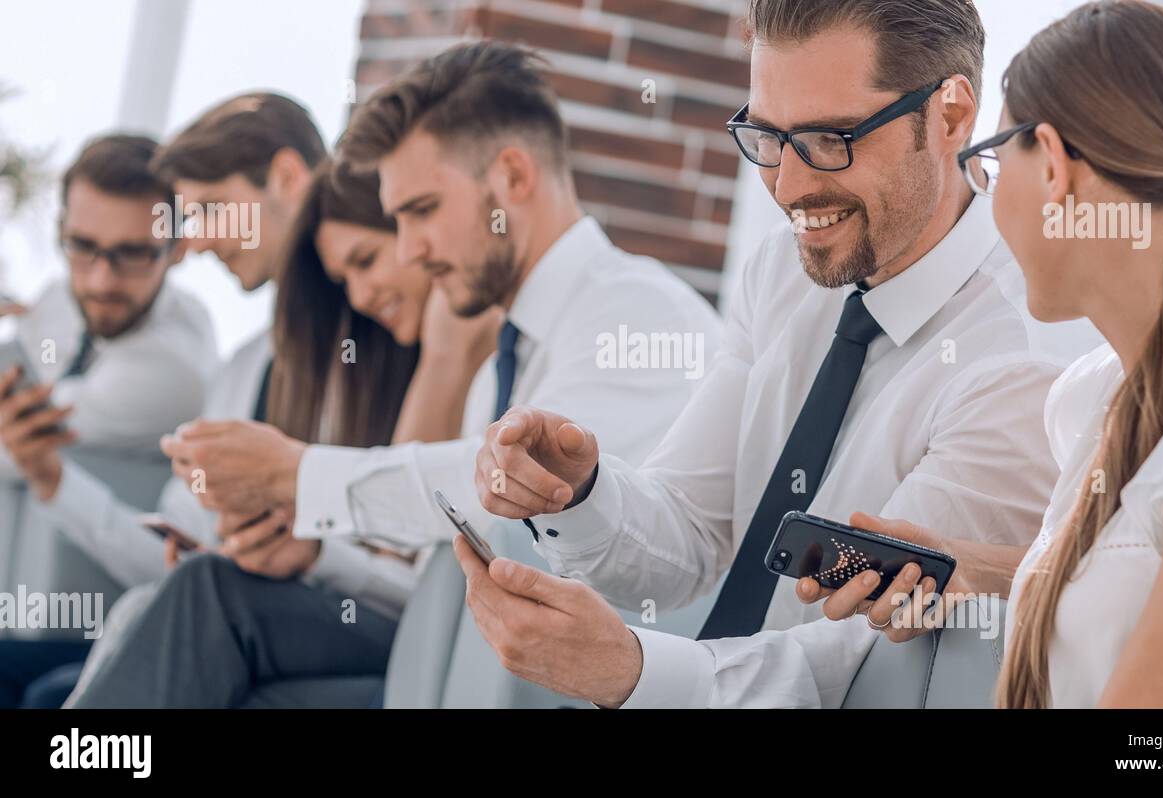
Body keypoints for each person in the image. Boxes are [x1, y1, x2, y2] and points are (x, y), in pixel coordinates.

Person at [453, 0, 1100, 709]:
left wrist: (630, 672)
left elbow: (865, 669)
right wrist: (581, 493)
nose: (789, 187)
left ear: (949, 116)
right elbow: (691, 534)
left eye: (830, 138)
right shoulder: (783, 272)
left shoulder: (1020, 358)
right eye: (768, 135)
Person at [74, 40, 722, 708]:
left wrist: (296, 475)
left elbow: (519, 496)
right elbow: (446, 569)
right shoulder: (508, 360)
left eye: (420, 212)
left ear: (513, 180)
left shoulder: (636, 317)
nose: (410, 249)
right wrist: (315, 554)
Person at [803, 0, 1163, 709]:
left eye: (996, 166)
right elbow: (1141, 582)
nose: (993, 204)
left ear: (1056, 167)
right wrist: (976, 570)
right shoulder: (1098, 398)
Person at [69, 155, 499, 708]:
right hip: (370, 618)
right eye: (346, 280)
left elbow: (417, 585)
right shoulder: (405, 360)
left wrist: (315, 554)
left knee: (210, 597)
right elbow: (389, 560)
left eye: (366, 262)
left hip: (425, 636)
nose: (362, 297)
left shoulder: (468, 359)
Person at [0, 133, 217, 708]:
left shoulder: (173, 369)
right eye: (82, 247)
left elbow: (11, 445)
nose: (100, 281)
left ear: (175, 248)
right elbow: (42, 324)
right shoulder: (68, 299)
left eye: (132, 253)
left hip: (114, 623)